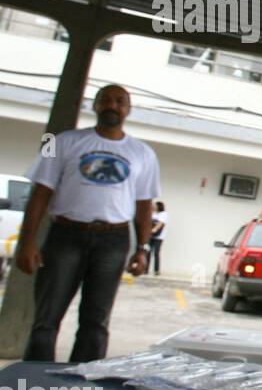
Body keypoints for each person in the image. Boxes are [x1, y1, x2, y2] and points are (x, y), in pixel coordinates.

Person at [16, 84, 161, 362]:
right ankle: (37, 384)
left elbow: (144, 205)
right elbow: (39, 194)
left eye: (120, 101)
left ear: (128, 110)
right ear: (94, 106)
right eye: (105, 100)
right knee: (46, 317)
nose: (112, 105)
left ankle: (83, 386)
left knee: (96, 322)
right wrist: (27, 242)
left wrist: (142, 249)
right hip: (65, 235)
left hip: (114, 240)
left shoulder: (144, 154)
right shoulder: (59, 141)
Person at [148, 200, 167, 275]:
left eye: (155, 206)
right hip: (150, 236)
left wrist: (154, 230)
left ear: (159, 206)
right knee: (148, 252)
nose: (153, 207)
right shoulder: (153, 213)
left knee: (156, 253)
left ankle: (157, 270)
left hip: (159, 237)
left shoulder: (163, 214)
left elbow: (160, 223)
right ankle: (145, 269)